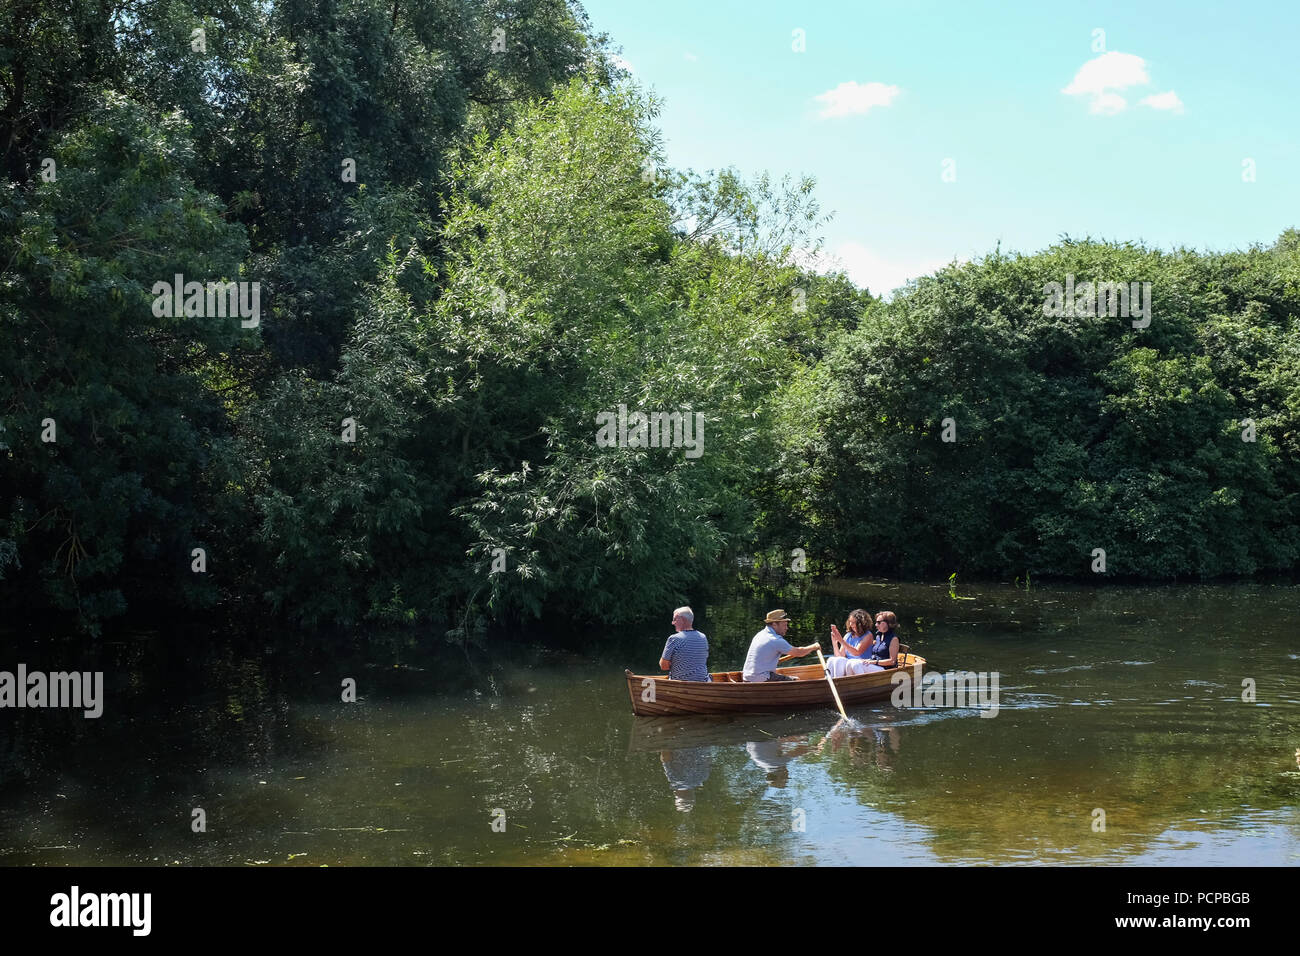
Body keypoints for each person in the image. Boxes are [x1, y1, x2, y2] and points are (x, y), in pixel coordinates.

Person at [742, 610, 819, 682]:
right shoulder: (775, 640)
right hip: (760, 678)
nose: (787, 628)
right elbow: (799, 652)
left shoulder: (759, 635)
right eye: (784, 625)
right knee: (796, 679)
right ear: (774, 624)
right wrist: (814, 647)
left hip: (747, 677)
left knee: (779, 674)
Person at [659, 606, 711, 682]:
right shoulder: (703, 637)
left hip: (680, 685)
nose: (673, 623)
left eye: (674, 619)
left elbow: (663, 666)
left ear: (682, 620)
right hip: (703, 683)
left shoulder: (674, 639)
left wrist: (672, 662)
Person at [825, 608, 873, 678]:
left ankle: (838, 683)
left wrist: (841, 640)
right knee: (831, 659)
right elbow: (840, 656)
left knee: (839, 661)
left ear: (861, 623)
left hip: (861, 664)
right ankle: (830, 681)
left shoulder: (868, 635)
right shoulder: (848, 636)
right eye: (850, 622)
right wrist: (834, 642)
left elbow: (857, 652)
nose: (851, 625)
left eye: (853, 622)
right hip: (848, 665)